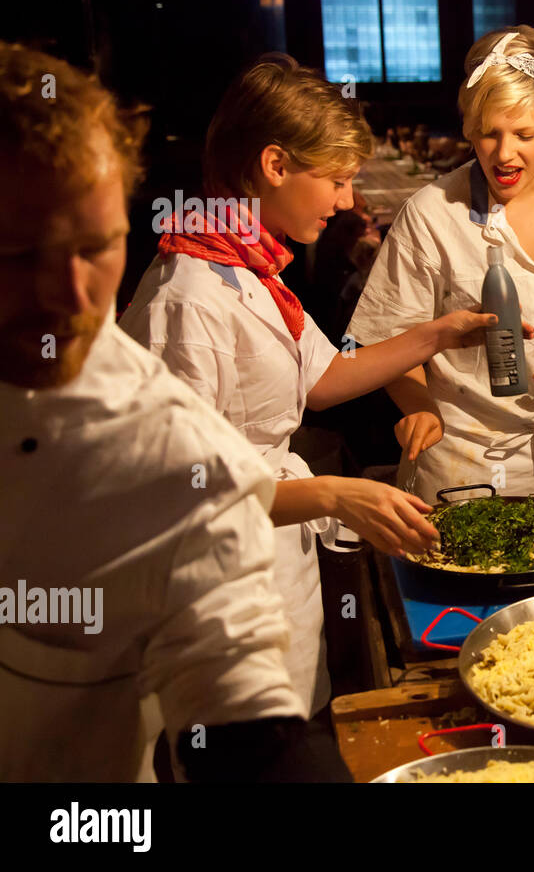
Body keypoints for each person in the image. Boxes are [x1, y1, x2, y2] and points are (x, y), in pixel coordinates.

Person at [0, 43, 348, 782]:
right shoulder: (186, 293)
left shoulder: (147, 415)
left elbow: (223, 639)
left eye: (98, 247)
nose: (70, 296)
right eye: (18, 254)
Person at [120, 54, 496, 717]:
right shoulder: (189, 297)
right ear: (275, 165)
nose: (349, 200)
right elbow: (184, 492)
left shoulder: (250, 266)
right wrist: (331, 494)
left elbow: (323, 380)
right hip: (219, 585)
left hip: (273, 561)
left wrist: (437, 334)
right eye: (338, 180)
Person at [348, 26, 534, 506]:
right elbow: (388, 338)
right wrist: (419, 406)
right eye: (487, 133)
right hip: (461, 463)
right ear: (468, 128)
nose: (504, 152)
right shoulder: (432, 213)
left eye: (524, 134)